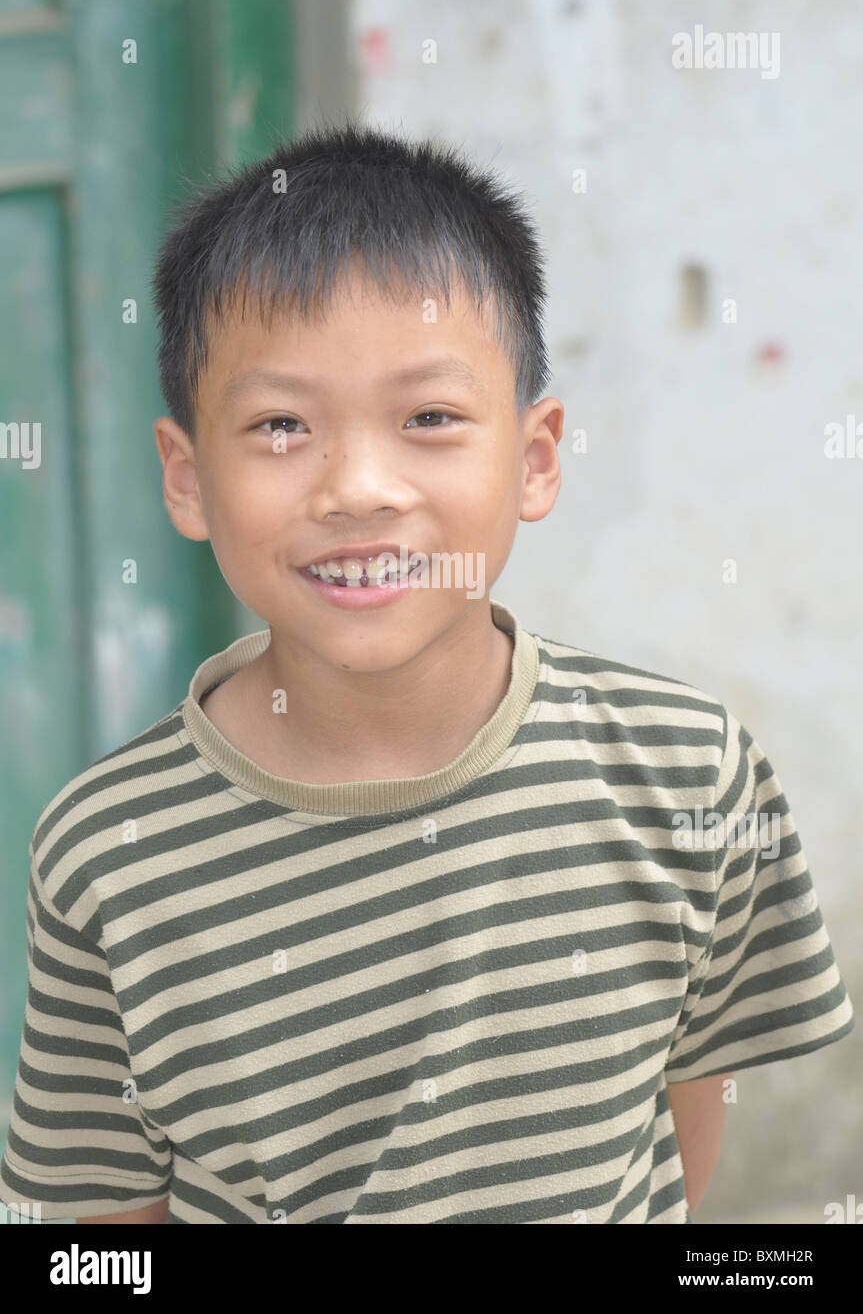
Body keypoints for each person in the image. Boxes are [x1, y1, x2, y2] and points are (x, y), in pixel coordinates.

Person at [0, 122, 854, 1225]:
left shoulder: (683, 772)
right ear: (187, 478)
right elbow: (107, 1231)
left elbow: (680, 1132)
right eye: (278, 425)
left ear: (535, 457)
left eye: (430, 418)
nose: (357, 485)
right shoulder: (109, 850)